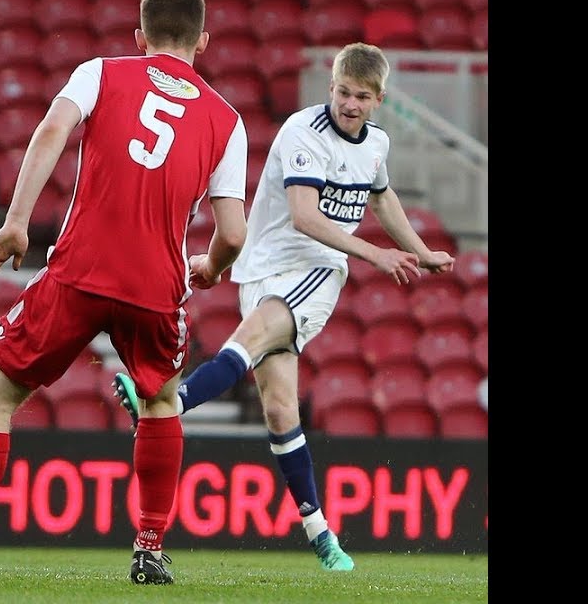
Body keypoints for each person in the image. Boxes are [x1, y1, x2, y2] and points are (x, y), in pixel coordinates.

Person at [0, 0, 248, 584]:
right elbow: (233, 231)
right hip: (156, 285)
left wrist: (16, 222)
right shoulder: (227, 119)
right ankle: (149, 549)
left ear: (139, 34)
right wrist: (212, 268)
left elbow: (49, 134)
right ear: (203, 40)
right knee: (161, 401)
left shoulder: (101, 72)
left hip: (79, 271)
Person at [112, 42, 456, 571]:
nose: (350, 104)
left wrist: (418, 250)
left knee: (248, 340)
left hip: (318, 271)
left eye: (362, 97)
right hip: (263, 266)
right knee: (278, 408)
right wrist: (379, 254)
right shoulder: (303, 133)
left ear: (379, 99)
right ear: (331, 87)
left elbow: (381, 196)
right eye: (343, 92)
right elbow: (304, 215)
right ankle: (321, 534)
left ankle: (166, 401)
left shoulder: (376, 144)